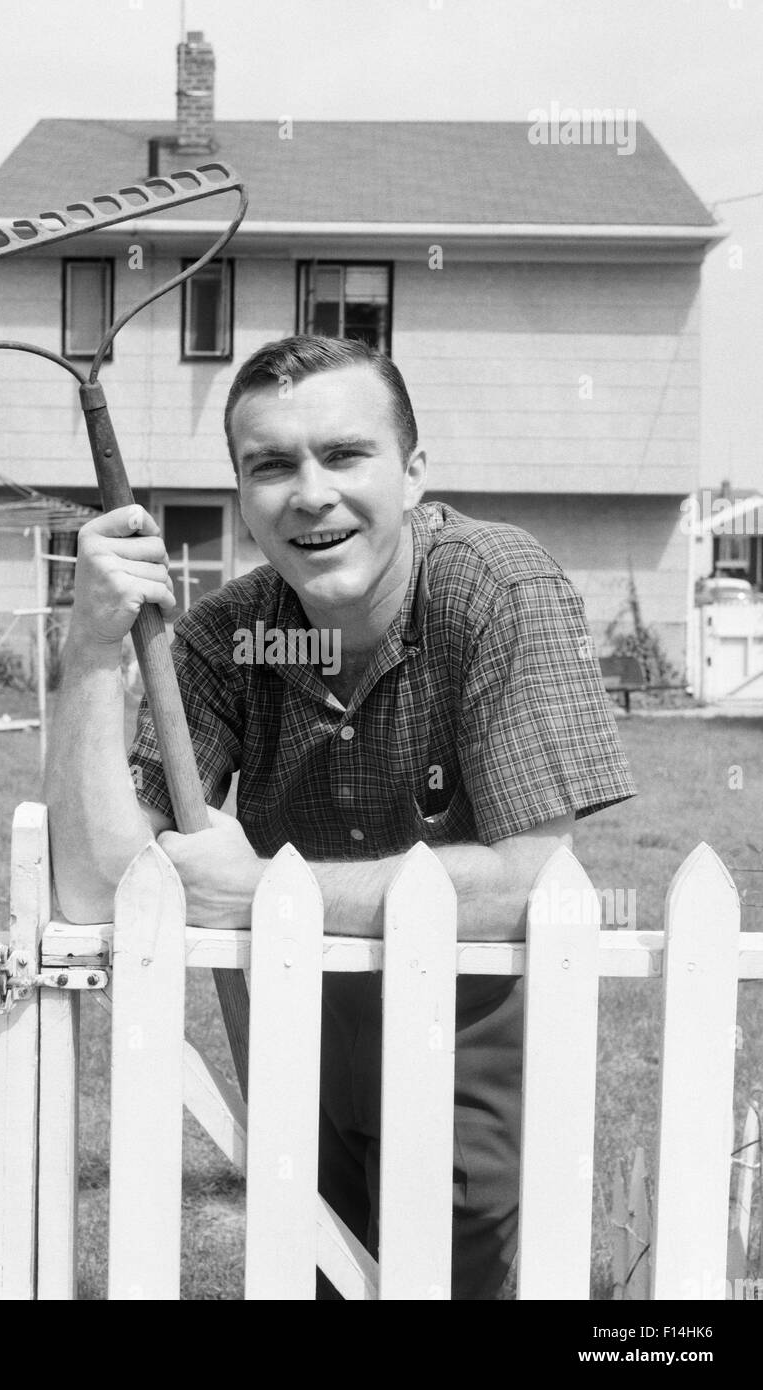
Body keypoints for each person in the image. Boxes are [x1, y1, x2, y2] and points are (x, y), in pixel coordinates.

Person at [45, 334, 635, 1299]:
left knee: (458, 1270)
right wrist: (92, 650)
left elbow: (528, 880)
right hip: (290, 1033)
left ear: (413, 473)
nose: (309, 493)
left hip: (465, 1032)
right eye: (271, 465)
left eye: (345, 454)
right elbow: (97, 885)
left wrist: (263, 891)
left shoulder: (497, 589)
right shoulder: (227, 635)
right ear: (243, 494)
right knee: (313, 1270)